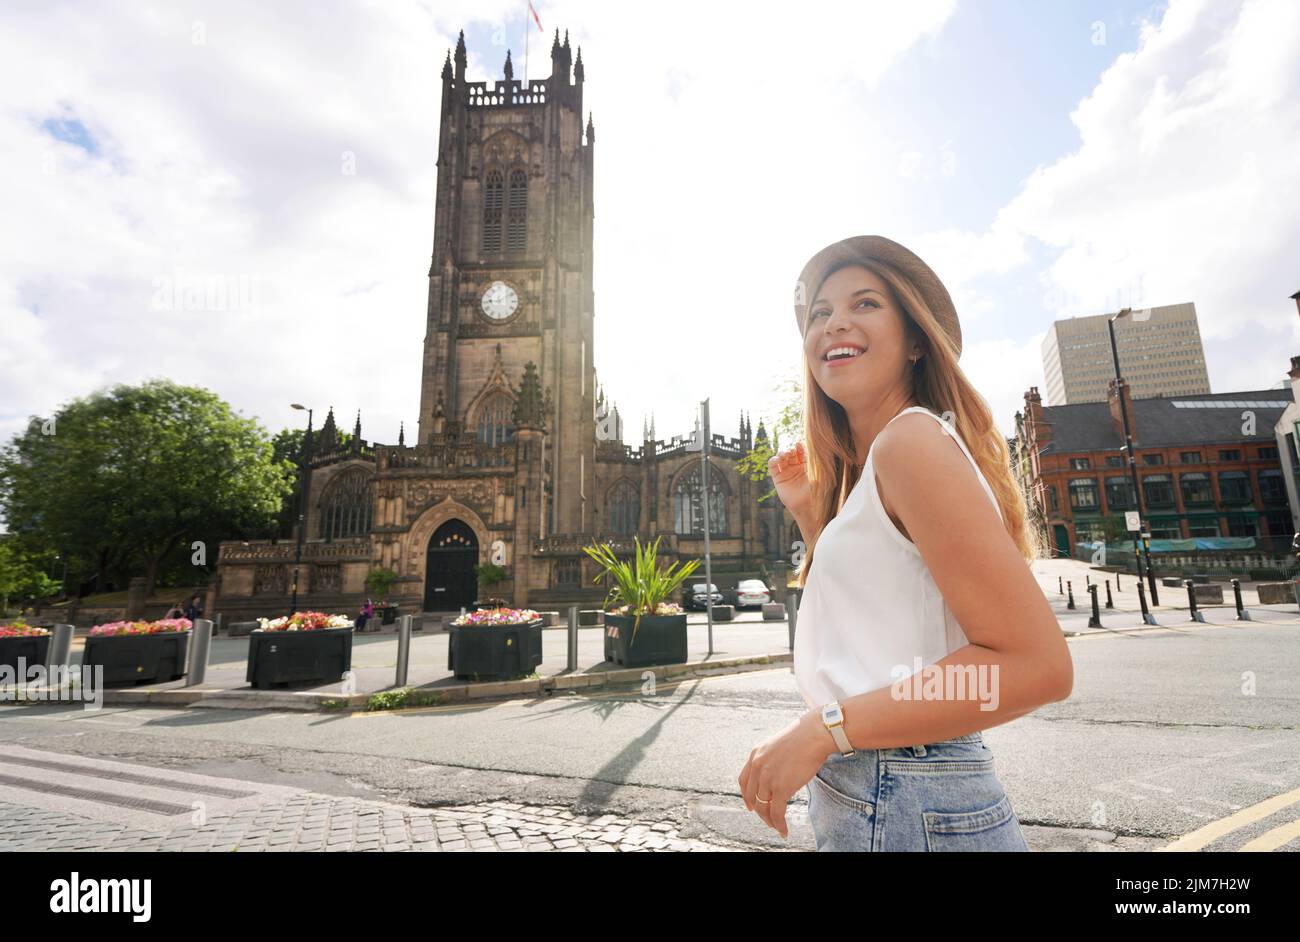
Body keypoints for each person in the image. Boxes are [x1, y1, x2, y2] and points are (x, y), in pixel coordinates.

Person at [737, 235, 1073, 851]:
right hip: (891, 794)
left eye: (865, 303)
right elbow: (868, 633)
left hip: (907, 794)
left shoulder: (910, 443)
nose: (835, 320)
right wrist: (814, 518)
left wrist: (822, 730)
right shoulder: (884, 461)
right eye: (819, 312)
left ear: (916, 340)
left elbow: (1034, 668)